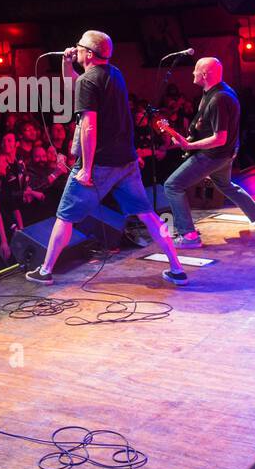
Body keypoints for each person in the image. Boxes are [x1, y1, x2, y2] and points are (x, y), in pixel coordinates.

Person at [25, 30, 187, 286]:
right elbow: (76, 86)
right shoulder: (115, 74)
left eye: (79, 47)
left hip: (98, 163)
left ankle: (45, 270)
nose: (75, 49)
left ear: (89, 54)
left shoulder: (88, 81)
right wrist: (66, 64)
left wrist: (87, 169)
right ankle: (177, 268)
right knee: (148, 215)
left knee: (65, 216)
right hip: (126, 162)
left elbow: (89, 126)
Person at [161, 57, 255, 247]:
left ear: (204, 75)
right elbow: (207, 129)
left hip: (212, 155)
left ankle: (189, 236)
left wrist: (189, 146)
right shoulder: (217, 92)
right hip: (224, 154)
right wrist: (187, 139)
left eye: (195, 70)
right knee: (225, 185)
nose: (192, 73)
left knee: (172, 186)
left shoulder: (219, 99)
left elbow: (219, 138)